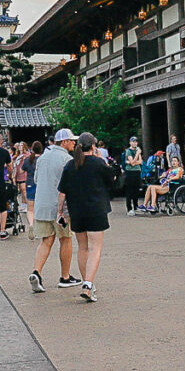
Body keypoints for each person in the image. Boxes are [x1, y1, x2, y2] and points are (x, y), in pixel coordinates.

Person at [55, 132, 114, 302]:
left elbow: (62, 192)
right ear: (93, 146)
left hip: (77, 211)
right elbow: (112, 180)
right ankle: (88, 283)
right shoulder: (98, 163)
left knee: (82, 247)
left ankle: (86, 283)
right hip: (96, 210)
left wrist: (60, 212)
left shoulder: (70, 165)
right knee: (95, 248)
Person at [27, 129, 80, 293]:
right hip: (59, 209)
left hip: (42, 206)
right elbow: (71, 183)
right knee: (65, 239)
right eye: (71, 141)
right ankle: (65, 276)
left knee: (46, 241)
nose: (74, 143)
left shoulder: (42, 157)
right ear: (64, 142)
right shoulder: (66, 159)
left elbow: (36, 179)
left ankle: (37, 271)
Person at [120, 136, 144, 213]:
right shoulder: (128, 151)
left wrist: (133, 162)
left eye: (136, 142)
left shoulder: (138, 150)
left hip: (137, 171)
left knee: (136, 190)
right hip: (130, 172)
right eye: (133, 141)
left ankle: (136, 206)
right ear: (130, 142)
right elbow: (133, 163)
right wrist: (137, 154)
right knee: (129, 190)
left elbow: (140, 162)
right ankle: (129, 208)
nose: (135, 143)